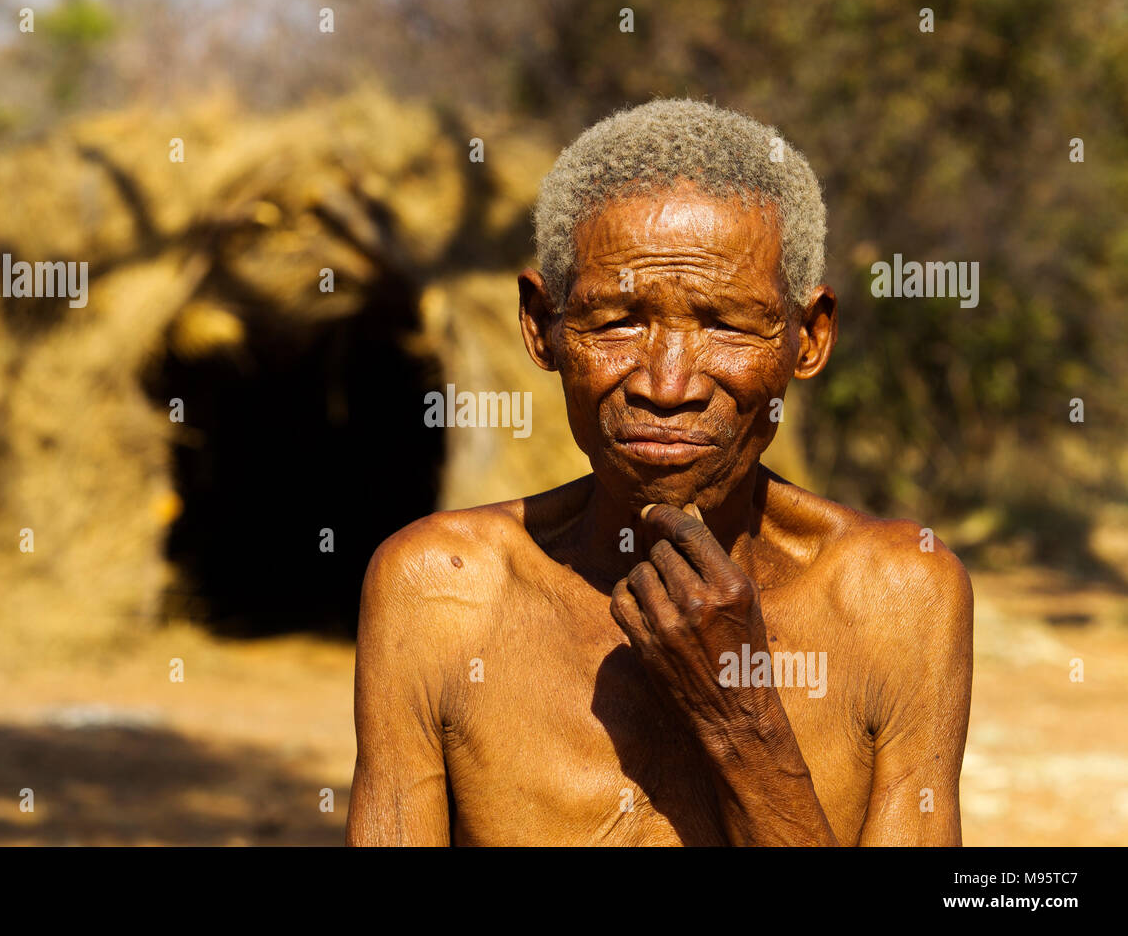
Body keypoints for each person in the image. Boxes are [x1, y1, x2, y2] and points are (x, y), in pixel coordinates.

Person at [345, 98, 973, 846]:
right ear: (542, 326)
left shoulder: (896, 598)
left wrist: (742, 724)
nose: (667, 385)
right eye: (617, 321)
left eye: (726, 323)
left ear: (809, 339)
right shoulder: (438, 591)